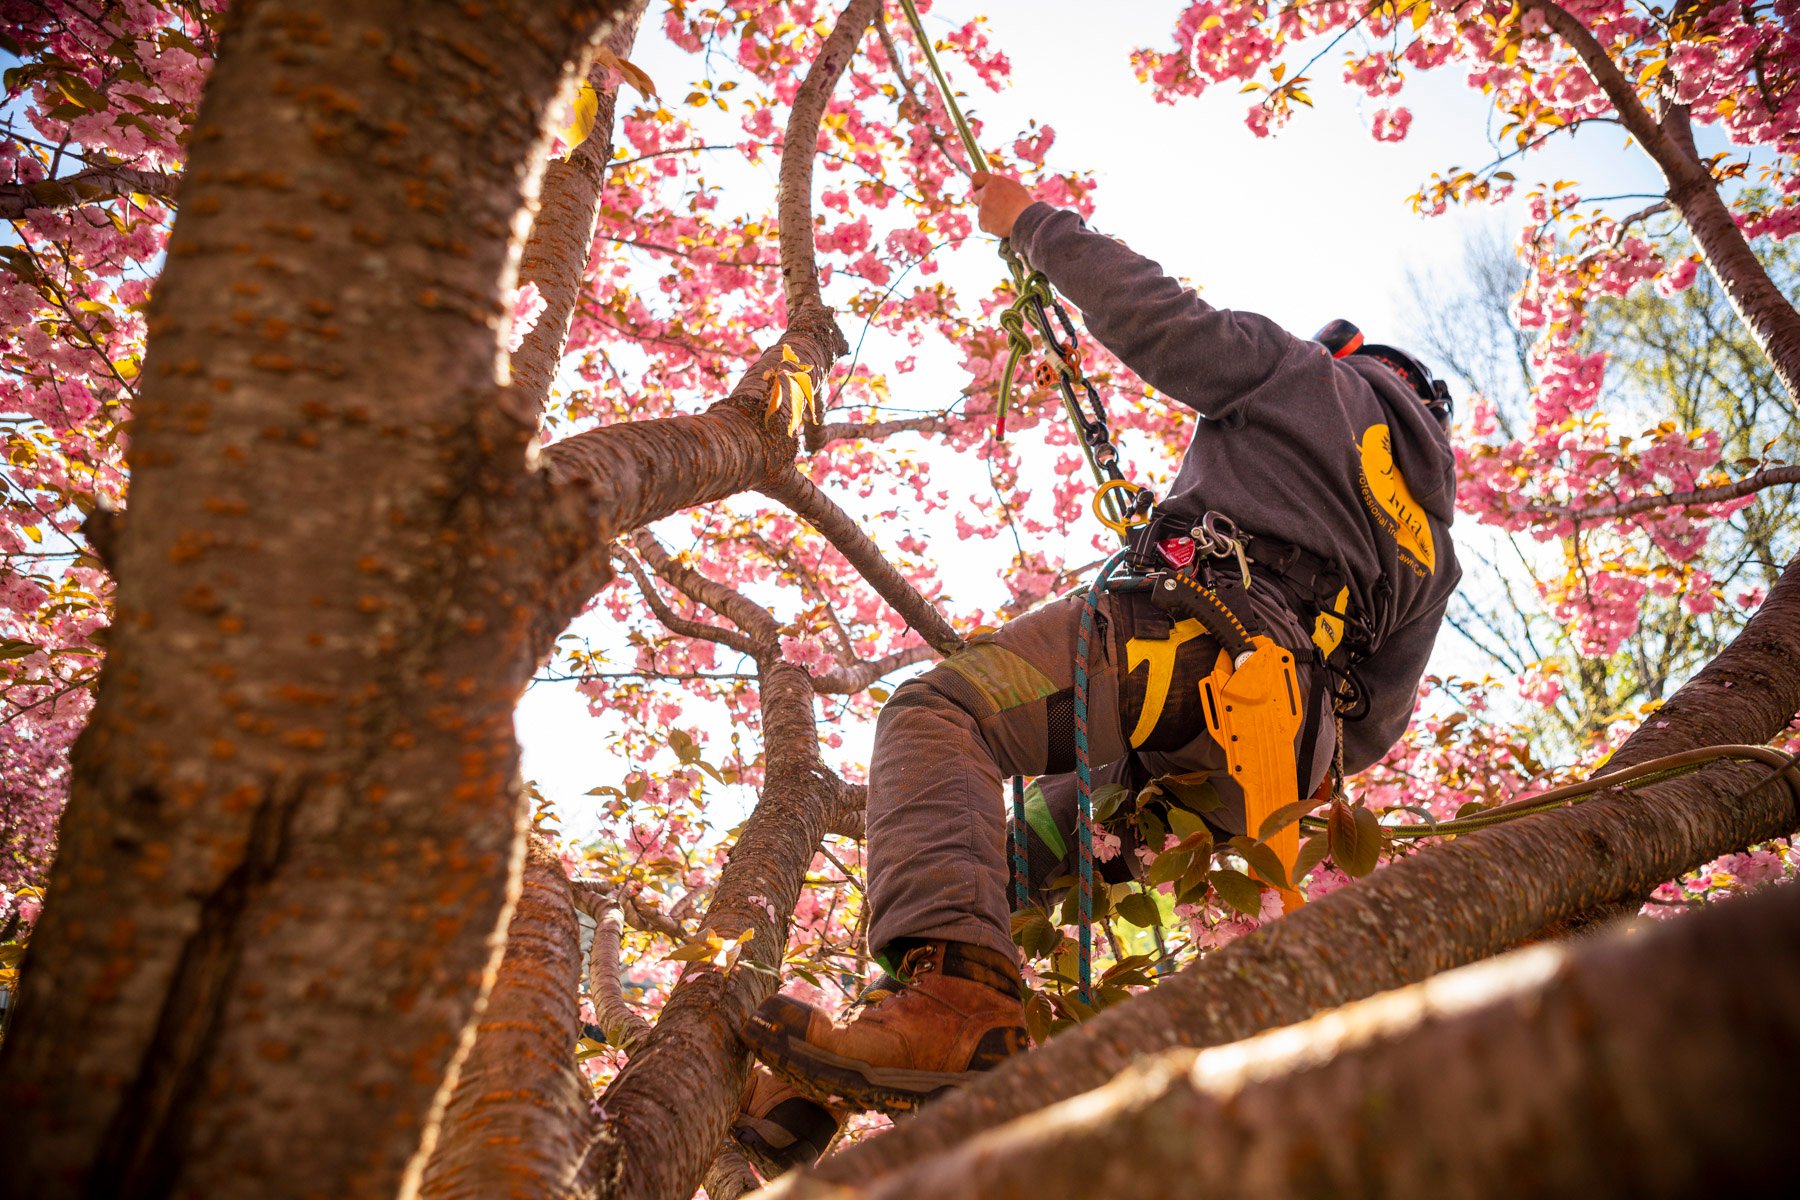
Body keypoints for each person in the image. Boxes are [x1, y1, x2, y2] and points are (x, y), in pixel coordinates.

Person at [731, 172, 1462, 1166]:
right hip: (1267, 760)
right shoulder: (1433, 547)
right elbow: (1378, 725)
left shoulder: (1310, 375)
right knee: (1023, 851)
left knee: (938, 715)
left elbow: (1158, 318)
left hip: (1192, 639)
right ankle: (833, 1088)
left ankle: (950, 1004)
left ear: (1351, 355)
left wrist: (1032, 227)